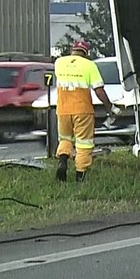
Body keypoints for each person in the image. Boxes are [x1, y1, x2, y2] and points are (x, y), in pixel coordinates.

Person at [53, 40, 112, 182]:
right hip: (82, 110)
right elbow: (99, 90)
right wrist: (109, 107)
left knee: (65, 139)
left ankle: (62, 161)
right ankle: (80, 176)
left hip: (63, 110)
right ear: (86, 52)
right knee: (84, 143)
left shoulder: (59, 63)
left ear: (73, 49)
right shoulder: (89, 65)